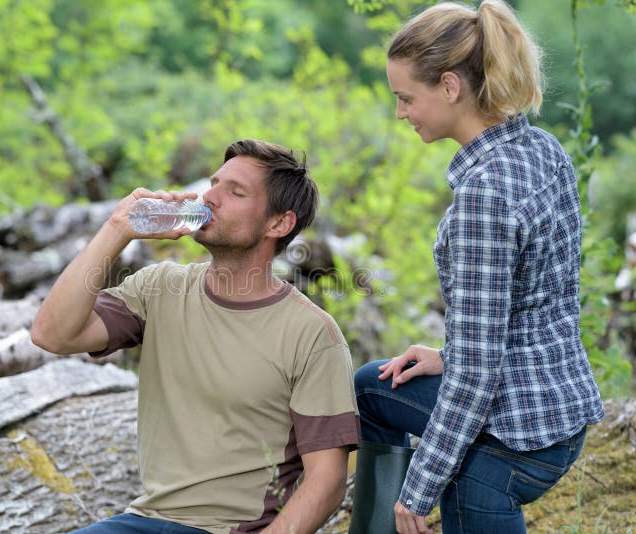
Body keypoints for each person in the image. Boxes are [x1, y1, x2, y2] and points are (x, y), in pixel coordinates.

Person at [352, 1, 605, 533]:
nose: (401, 113)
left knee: (463, 478)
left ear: (449, 86)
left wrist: (418, 490)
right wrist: (450, 354)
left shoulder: (482, 199)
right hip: (561, 404)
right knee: (373, 386)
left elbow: (478, 374)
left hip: (520, 434)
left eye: (405, 98)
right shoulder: (541, 148)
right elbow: (536, 299)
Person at [31, 139, 360, 534]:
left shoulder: (312, 333)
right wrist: (117, 229)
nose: (211, 197)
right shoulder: (159, 288)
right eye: (214, 183)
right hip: (144, 521)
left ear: (279, 223)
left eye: (235, 192)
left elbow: (327, 481)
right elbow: (52, 334)